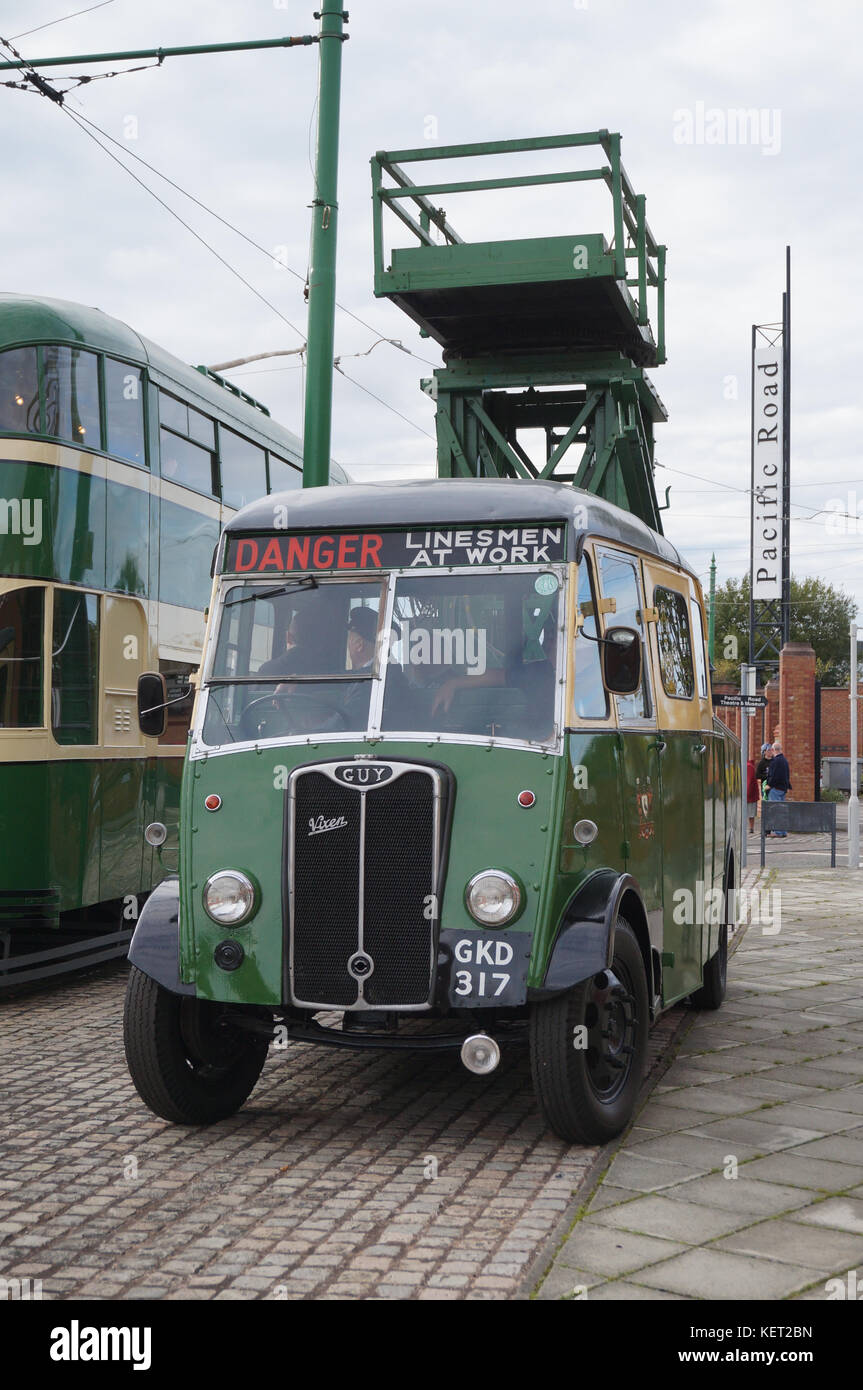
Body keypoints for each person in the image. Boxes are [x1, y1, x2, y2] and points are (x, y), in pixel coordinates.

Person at [766, 739, 792, 837]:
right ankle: (783, 831)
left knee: (775, 811)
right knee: (781, 811)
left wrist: (769, 785)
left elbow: (774, 776)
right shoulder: (784, 760)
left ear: (773, 750)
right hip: (782, 788)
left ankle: (778, 832)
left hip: (775, 789)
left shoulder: (776, 761)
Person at [746, 756, 759, 835]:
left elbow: (749, 782)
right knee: (751, 812)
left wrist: (746, 793)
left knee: (750, 812)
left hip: (749, 795)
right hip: (751, 794)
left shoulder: (748, 767)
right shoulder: (750, 766)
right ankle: (751, 828)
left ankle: (751, 828)